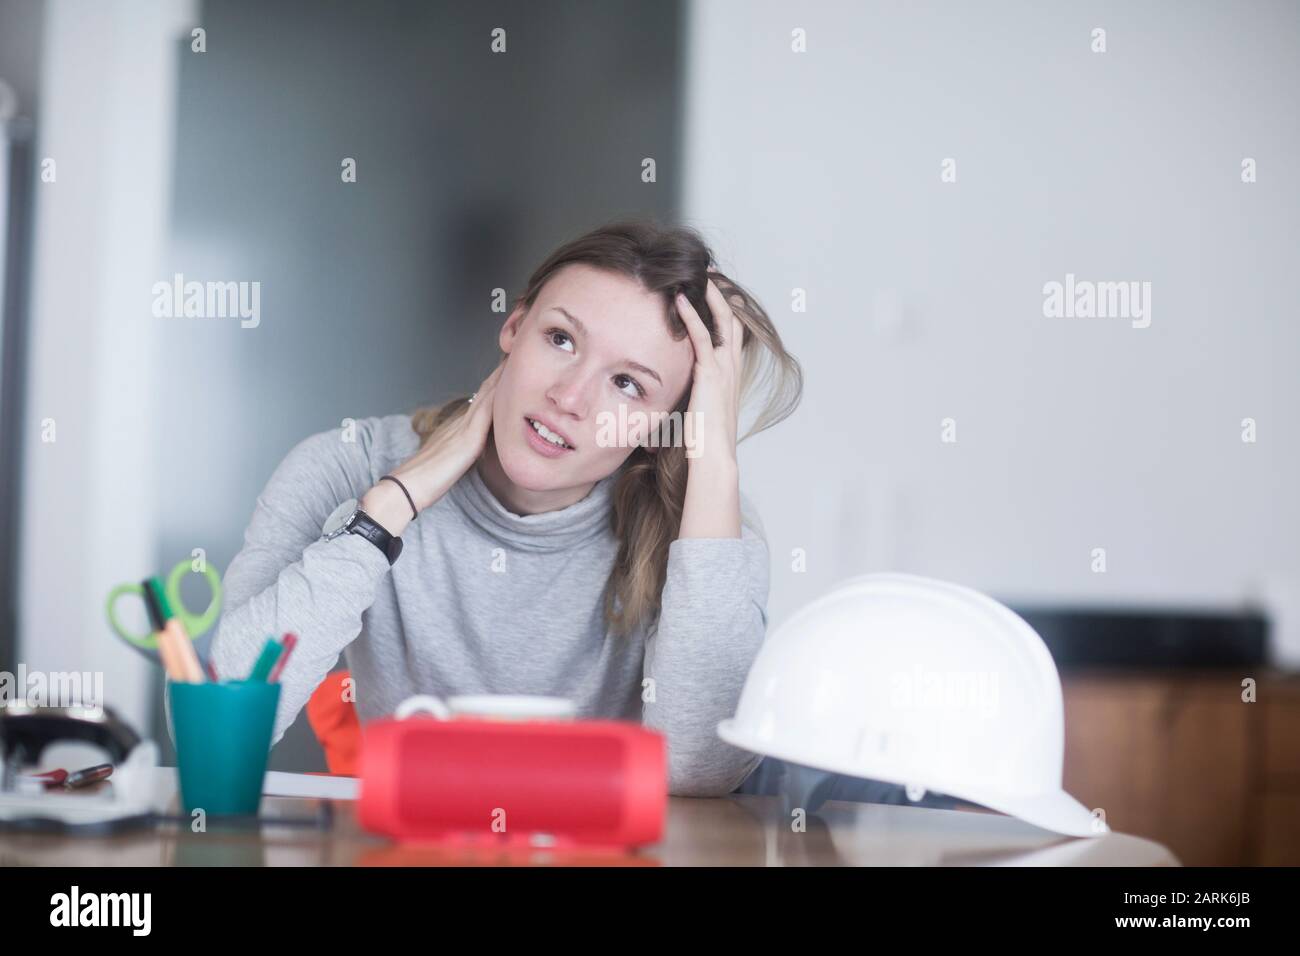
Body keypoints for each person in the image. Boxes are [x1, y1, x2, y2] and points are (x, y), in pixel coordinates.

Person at [208, 219, 803, 797]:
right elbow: (218, 728)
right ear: (515, 326)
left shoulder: (704, 521)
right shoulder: (348, 466)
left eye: (628, 385)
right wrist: (390, 506)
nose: (568, 397)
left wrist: (715, 455)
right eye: (561, 339)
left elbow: (699, 772)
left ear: (667, 423)